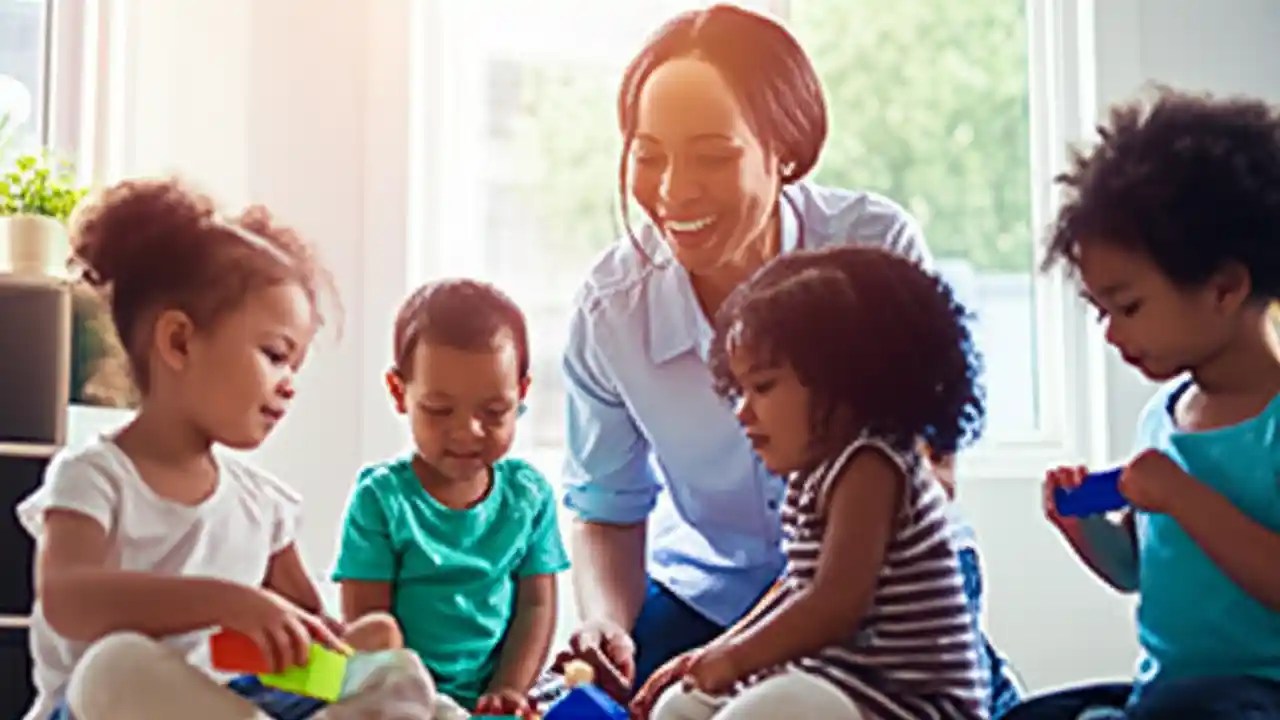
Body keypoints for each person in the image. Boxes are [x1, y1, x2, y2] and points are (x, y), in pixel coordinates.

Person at [557, 4, 1019, 715]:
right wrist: (607, 625)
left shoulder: (869, 256)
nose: (673, 190)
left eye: (713, 156)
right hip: (708, 589)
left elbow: (927, 471)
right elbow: (607, 505)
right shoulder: (612, 306)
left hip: (882, 583)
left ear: (785, 151)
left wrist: (745, 651)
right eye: (649, 155)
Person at [16, 178, 426, 720]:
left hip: (231, 702)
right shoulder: (93, 476)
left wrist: (347, 647)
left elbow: (311, 640)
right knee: (113, 663)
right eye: (275, 355)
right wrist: (229, 601)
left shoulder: (262, 506)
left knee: (385, 654)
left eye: (295, 367)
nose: (289, 385)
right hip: (100, 708)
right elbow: (68, 600)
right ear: (179, 341)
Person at [1006, 89, 1280, 719]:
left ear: (1224, 287)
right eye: (1100, 311)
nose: (1110, 333)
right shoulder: (1164, 415)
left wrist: (1183, 495)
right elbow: (1135, 569)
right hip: (1164, 690)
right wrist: (1084, 529)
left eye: (1128, 307)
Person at [627, 245, 989, 719]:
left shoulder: (871, 466)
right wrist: (715, 652)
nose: (743, 412)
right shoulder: (813, 475)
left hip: (904, 701)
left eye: (763, 387)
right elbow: (797, 586)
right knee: (681, 706)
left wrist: (736, 659)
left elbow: (835, 603)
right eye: (738, 391)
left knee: (764, 710)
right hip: (838, 683)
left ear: (842, 381)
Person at [332, 279, 571, 716]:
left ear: (521, 394)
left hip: (494, 694)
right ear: (399, 393)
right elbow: (370, 629)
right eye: (440, 410)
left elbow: (536, 606)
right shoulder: (381, 501)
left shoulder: (528, 496)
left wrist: (509, 689)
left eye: (494, 412)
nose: (467, 432)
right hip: (405, 697)